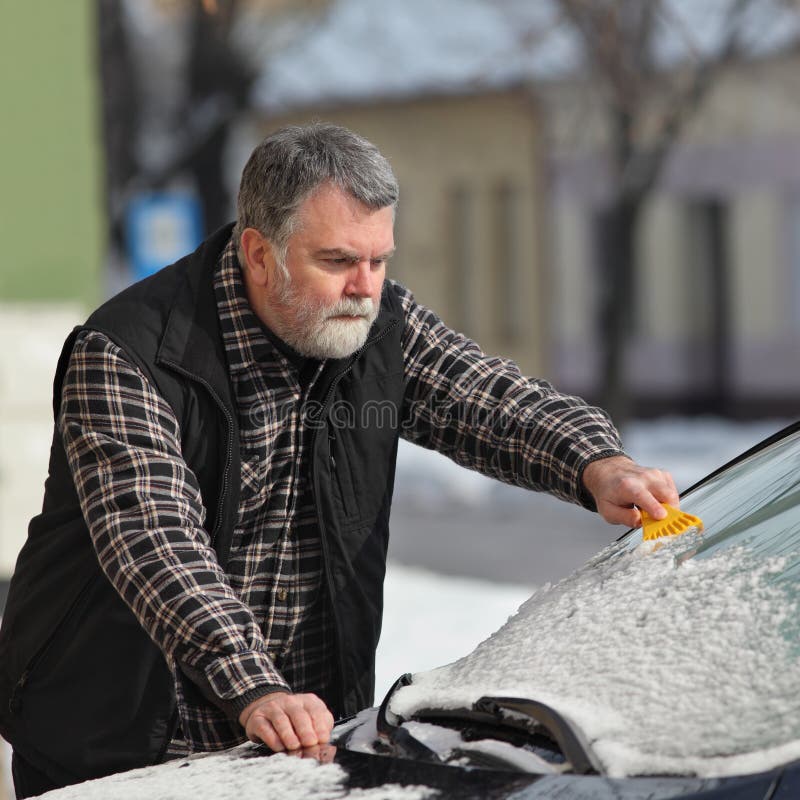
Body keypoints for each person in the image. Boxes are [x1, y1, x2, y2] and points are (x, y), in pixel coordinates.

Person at [0, 123, 678, 797]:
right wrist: (255, 685)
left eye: (379, 260)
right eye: (338, 260)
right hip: (117, 742)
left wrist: (595, 461)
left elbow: (488, 399)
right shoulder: (127, 354)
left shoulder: (379, 327)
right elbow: (153, 539)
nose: (365, 286)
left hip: (304, 743)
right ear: (259, 255)